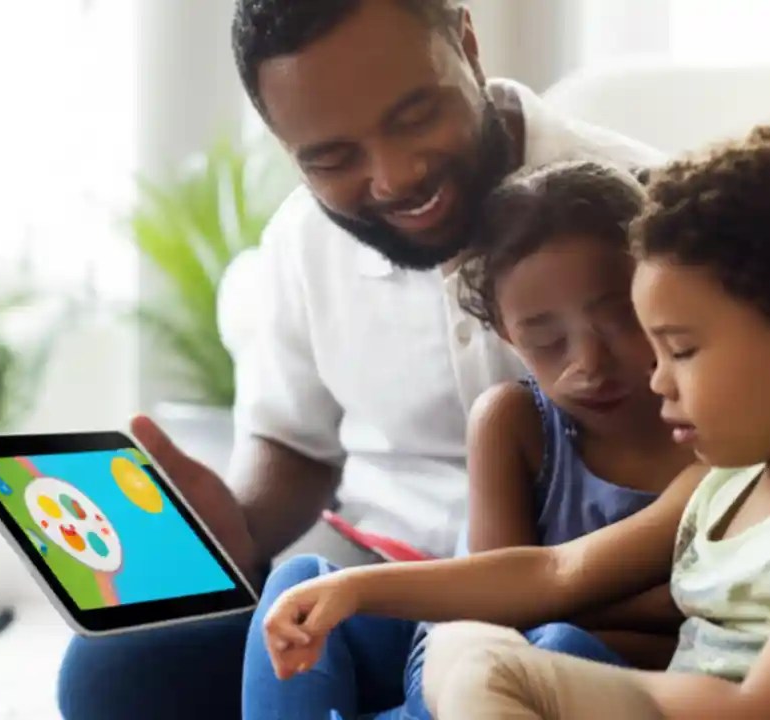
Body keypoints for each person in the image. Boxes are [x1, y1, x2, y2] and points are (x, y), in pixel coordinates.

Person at [57, 2, 770, 718]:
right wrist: (231, 525)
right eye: (331, 156)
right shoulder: (298, 244)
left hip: (592, 635)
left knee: (531, 663)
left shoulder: (652, 216)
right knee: (112, 674)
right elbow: (291, 451)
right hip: (402, 583)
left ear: (463, 39)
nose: (392, 176)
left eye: (412, 116)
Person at [263, 127, 770, 720]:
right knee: (469, 656)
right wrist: (359, 591)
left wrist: (566, 687)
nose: (656, 377)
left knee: (485, 665)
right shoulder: (725, 484)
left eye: (679, 349)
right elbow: (556, 571)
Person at [244, 162, 697, 719]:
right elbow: (499, 612)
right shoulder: (515, 420)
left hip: (570, 680)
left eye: (621, 320)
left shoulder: (712, 436)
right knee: (300, 586)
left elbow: (668, 616)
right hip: (460, 654)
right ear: (507, 334)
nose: (588, 364)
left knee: (558, 647)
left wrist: (572, 615)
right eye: (546, 339)